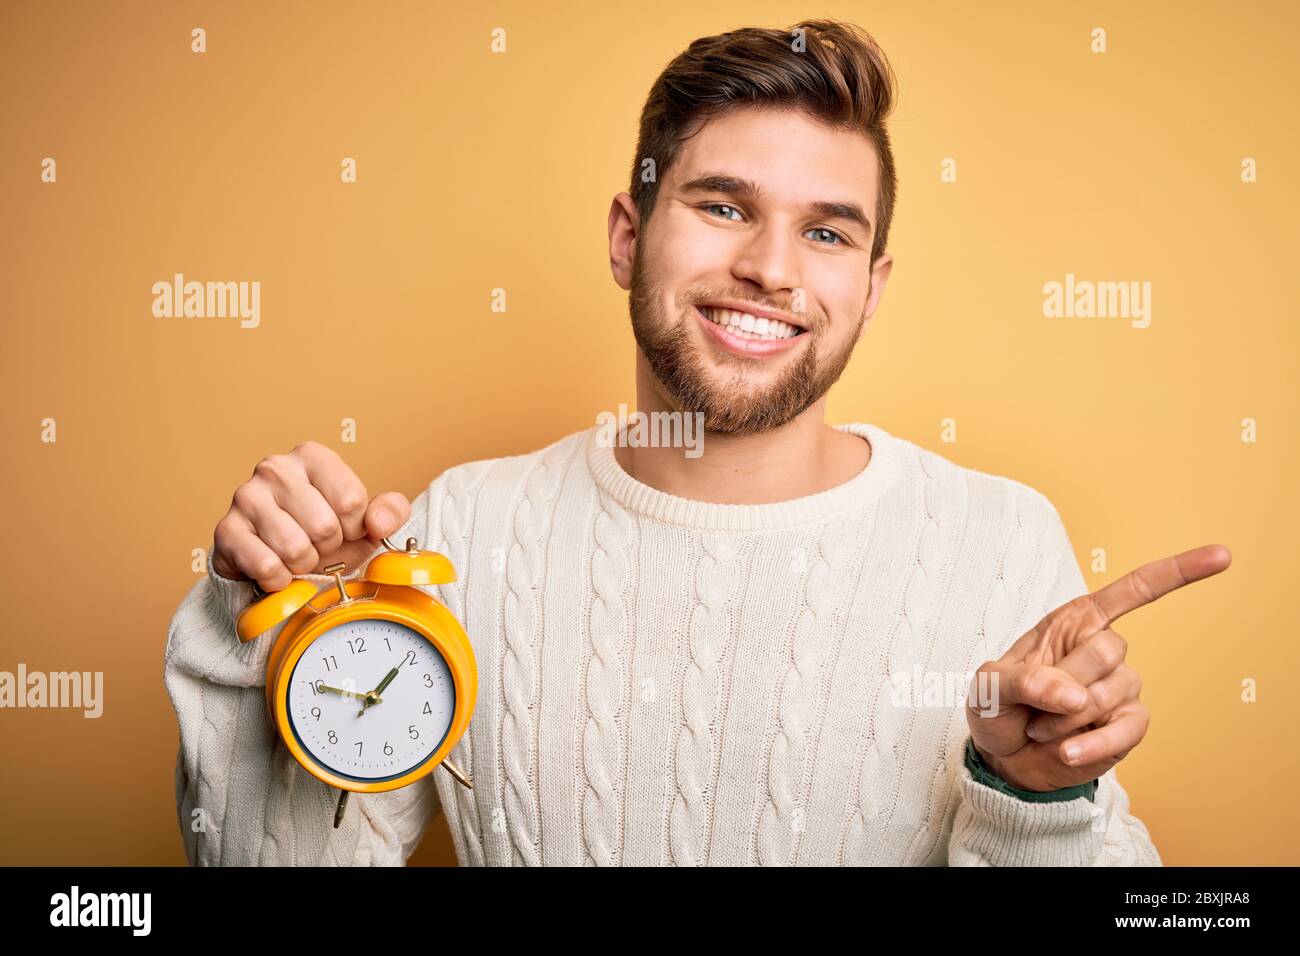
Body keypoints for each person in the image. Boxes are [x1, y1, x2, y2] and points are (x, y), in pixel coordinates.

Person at [163, 18, 1228, 866]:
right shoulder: (464, 528)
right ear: (629, 237)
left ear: (869, 286)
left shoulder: (998, 542)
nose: (771, 266)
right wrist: (256, 626)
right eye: (722, 205)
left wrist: (1036, 799)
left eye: (825, 231)